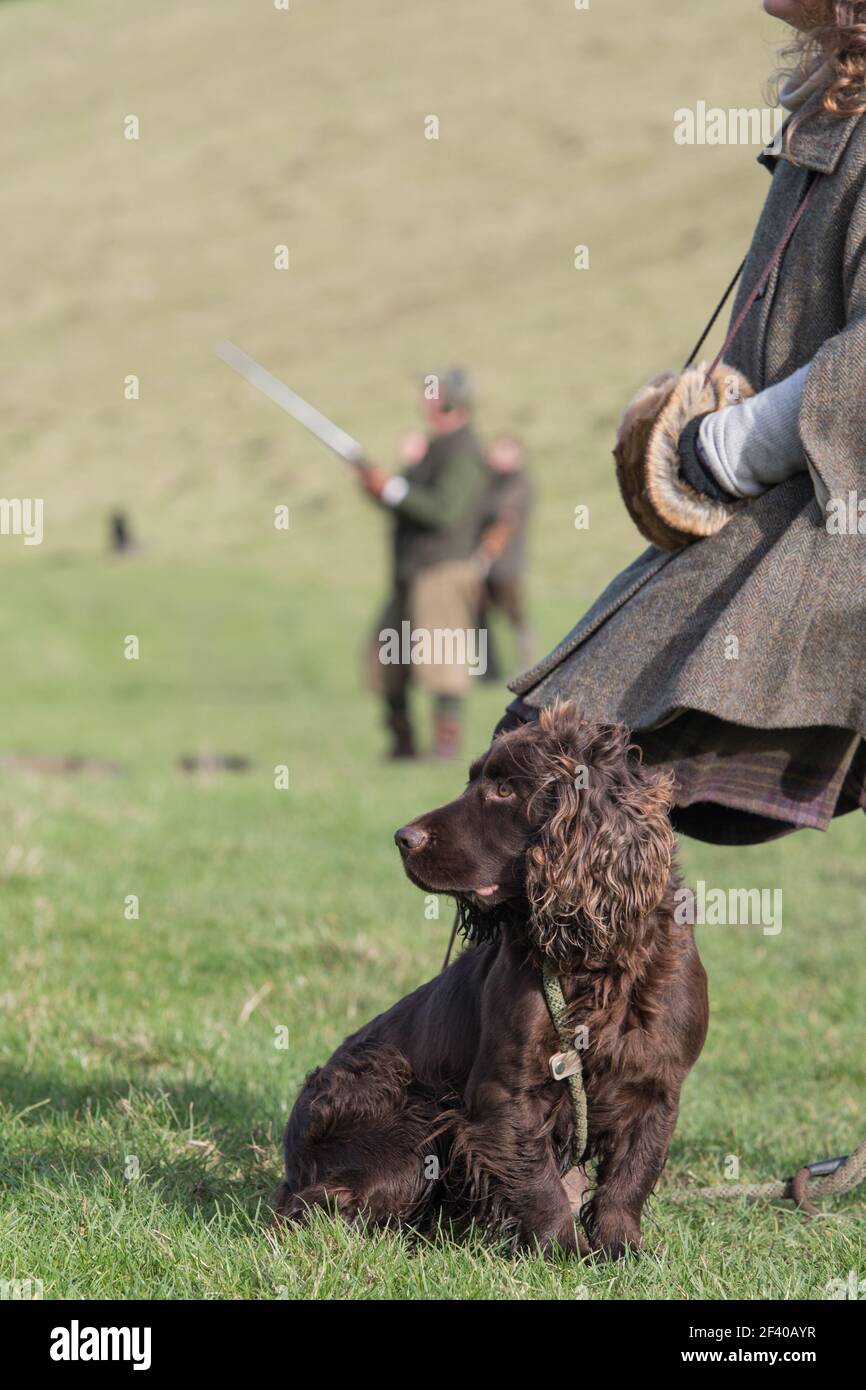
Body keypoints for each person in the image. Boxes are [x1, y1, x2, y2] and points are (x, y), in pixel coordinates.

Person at [499, 0, 866, 847]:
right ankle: (602, 983)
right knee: (544, 776)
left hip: (829, 514)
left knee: (553, 776)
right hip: (814, 502)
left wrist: (737, 445)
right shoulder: (839, 99)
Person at [358, 369, 491, 760]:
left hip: (443, 571)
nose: (426, 400)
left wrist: (393, 489)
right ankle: (402, 744)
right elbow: (407, 503)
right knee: (387, 655)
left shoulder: (463, 451)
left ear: (453, 401)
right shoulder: (436, 447)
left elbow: (443, 511)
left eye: (434, 394)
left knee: (442, 661)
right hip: (412, 572)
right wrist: (380, 487)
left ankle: (444, 749)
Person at [476, 436, 534, 680]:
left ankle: (528, 665)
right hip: (488, 562)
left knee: (515, 615)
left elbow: (506, 520)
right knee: (479, 614)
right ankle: (488, 669)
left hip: (506, 563)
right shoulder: (491, 481)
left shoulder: (520, 483)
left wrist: (486, 554)